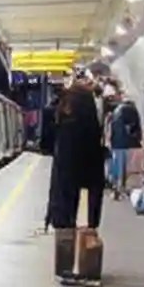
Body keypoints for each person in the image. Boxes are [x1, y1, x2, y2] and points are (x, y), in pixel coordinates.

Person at [46, 73, 106, 231]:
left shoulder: (63, 125)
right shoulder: (92, 132)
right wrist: (93, 222)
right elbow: (96, 186)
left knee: (64, 237)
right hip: (85, 221)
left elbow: (47, 146)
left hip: (62, 210)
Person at [106, 94, 142, 199]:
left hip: (116, 142)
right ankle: (120, 187)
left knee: (117, 164)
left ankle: (116, 187)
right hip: (124, 141)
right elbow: (134, 126)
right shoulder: (129, 110)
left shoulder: (117, 111)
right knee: (122, 166)